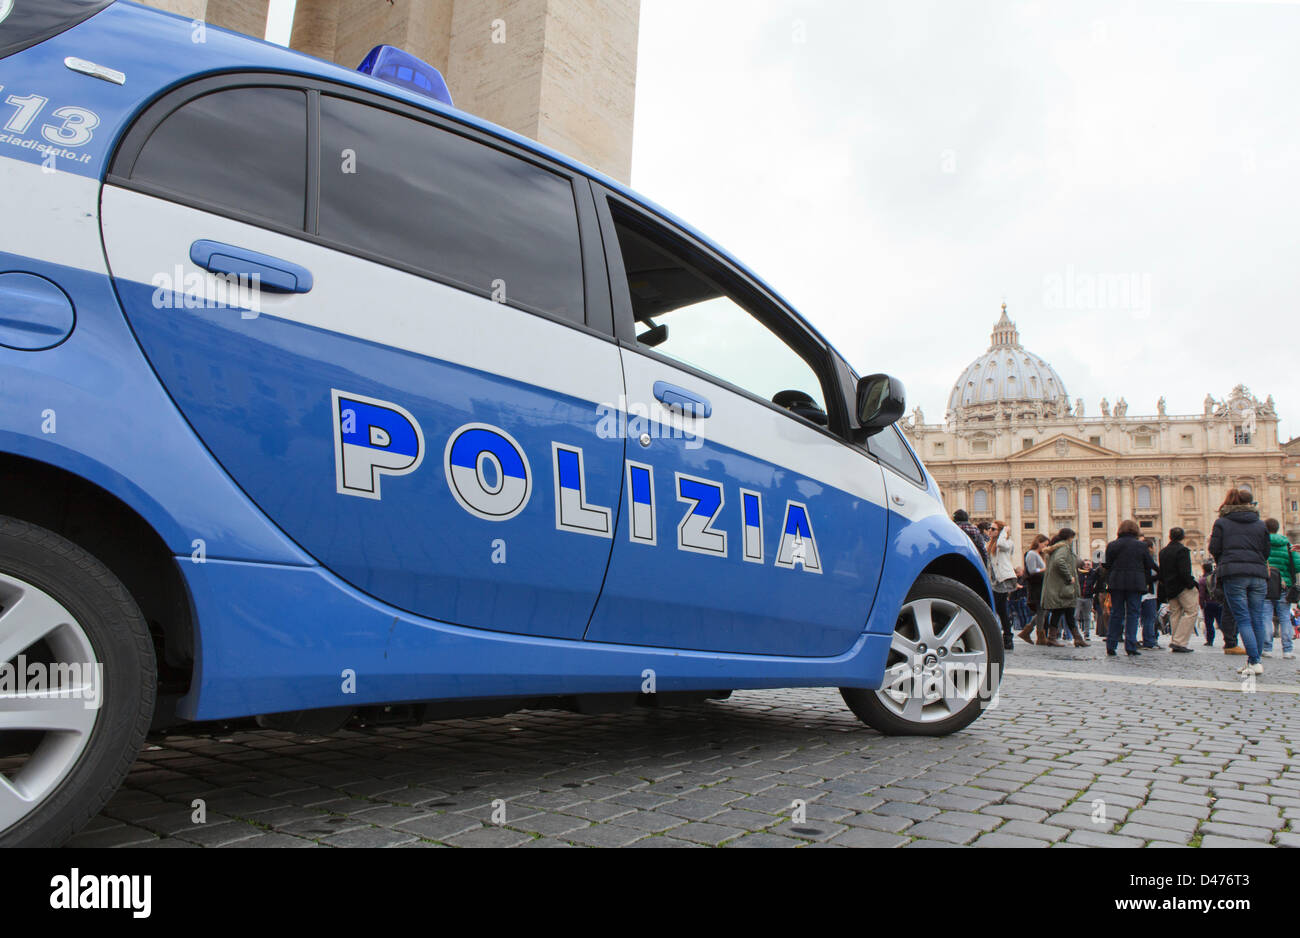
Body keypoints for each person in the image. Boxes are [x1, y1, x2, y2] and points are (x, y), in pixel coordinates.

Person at [1208, 488, 1271, 677]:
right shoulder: (1261, 524)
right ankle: (1254, 661)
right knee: (1257, 618)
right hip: (1258, 574)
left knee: (1243, 618)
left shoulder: (1222, 523)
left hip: (1234, 574)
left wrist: (1224, 561)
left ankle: (1255, 661)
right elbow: (1266, 551)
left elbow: (1214, 548)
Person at [1103, 519, 1158, 656]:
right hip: (1135, 583)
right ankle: (1131, 646)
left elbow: (1106, 564)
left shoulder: (1112, 545)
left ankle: (1111, 644)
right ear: (1135, 530)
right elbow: (1149, 564)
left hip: (1116, 583)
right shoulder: (1141, 546)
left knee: (1116, 613)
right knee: (1133, 614)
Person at [1042, 528, 1089, 647]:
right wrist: (1069, 577)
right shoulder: (1063, 548)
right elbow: (1059, 562)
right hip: (1063, 588)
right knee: (1063, 612)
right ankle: (1056, 638)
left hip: (1059, 588)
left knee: (1066, 613)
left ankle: (1072, 638)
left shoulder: (1056, 548)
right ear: (1069, 538)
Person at [1158, 528, 1199, 653]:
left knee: (1175, 613)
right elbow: (1184, 572)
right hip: (1182, 587)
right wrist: (1192, 584)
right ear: (1182, 537)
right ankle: (1179, 642)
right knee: (1191, 612)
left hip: (1169, 587)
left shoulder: (1163, 552)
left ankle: (1175, 640)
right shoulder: (1182, 550)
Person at [1263, 518, 1296, 659]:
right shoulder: (1286, 544)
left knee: (1266, 617)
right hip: (1284, 584)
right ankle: (1287, 650)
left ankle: (1267, 648)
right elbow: (1298, 565)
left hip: (1266, 583)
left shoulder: (1262, 543)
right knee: (1285, 617)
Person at [988, 520, 1018, 650]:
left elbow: (1001, 543)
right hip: (994, 581)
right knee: (1002, 610)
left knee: (992, 608)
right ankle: (1007, 638)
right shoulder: (989, 544)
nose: (990, 531)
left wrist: (1004, 532)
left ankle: (995, 636)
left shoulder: (1007, 543)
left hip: (1003, 580)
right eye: (990, 528)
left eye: (993, 529)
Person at [1016, 534, 1050, 645]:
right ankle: (1039, 636)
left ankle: (1028, 631)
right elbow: (1032, 570)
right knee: (1042, 610)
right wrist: (1045, 569)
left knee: (1043, 611)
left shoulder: (1038, 554)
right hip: (1036, 586)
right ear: (1039, 542)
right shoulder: (1031, 554)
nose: (1045, 547)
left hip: (1040, 585)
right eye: (1044, 544)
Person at [1139, 538, 1160, 649]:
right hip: (1149, 593)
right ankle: (1149, 641)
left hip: (1138, 593)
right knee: (1149, 618)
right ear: (1150, 548)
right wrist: (1159, 576)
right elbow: (1151, 576)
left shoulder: (1136, 560)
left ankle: (1142, 640)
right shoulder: (1150, 561)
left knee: (1140, 618)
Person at [1197, 561, 1221, 647]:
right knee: (1221, 622)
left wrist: (1201, 604)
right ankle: (1228, 639)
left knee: (1209, 623)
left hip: (1208, 604)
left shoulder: (1203, 580)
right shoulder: (1216, 578)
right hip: (1218, 603)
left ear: (1203, 569)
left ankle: (1210, 640)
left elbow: (1201, 594)